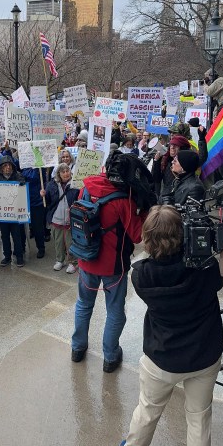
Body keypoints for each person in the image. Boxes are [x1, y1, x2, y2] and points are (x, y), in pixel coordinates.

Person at [120, 206, 223, 446]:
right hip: (204, 354)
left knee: (147, 411)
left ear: (147, 239)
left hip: (162, 357)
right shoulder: (207, 269)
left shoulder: (142, 275)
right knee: (199, 419)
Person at [71, 152, 150, 373]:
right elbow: (137, 236)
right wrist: (143, 213)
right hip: (113, 266)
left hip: (86, 260)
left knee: (83, 305)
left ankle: (77, 349)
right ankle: (110, 355)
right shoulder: (123, 201)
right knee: (115, 311)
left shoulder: (86, 188)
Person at [0, 153, 29, 267]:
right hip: (2, 213)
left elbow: (23, 189)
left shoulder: (18, 175)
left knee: (17, 235)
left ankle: (19, 257)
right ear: (1, 167)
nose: (8, 168)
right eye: (5, 165)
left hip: (15, 212)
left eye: (10, 165)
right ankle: (7, 256)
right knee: (4, 235)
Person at [45, 166, 80, 273]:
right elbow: (48, 202)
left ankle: (72, 262)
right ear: (58, 174)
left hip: (71, 219)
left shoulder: (76, 184)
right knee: (58, 242)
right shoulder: (51, 184)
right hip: (56, 218)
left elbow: (79, 199)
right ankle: (60, 260)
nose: (66, 173)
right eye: (63, 172)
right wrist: (43, 195)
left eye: (67, 171)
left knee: (71, 243)